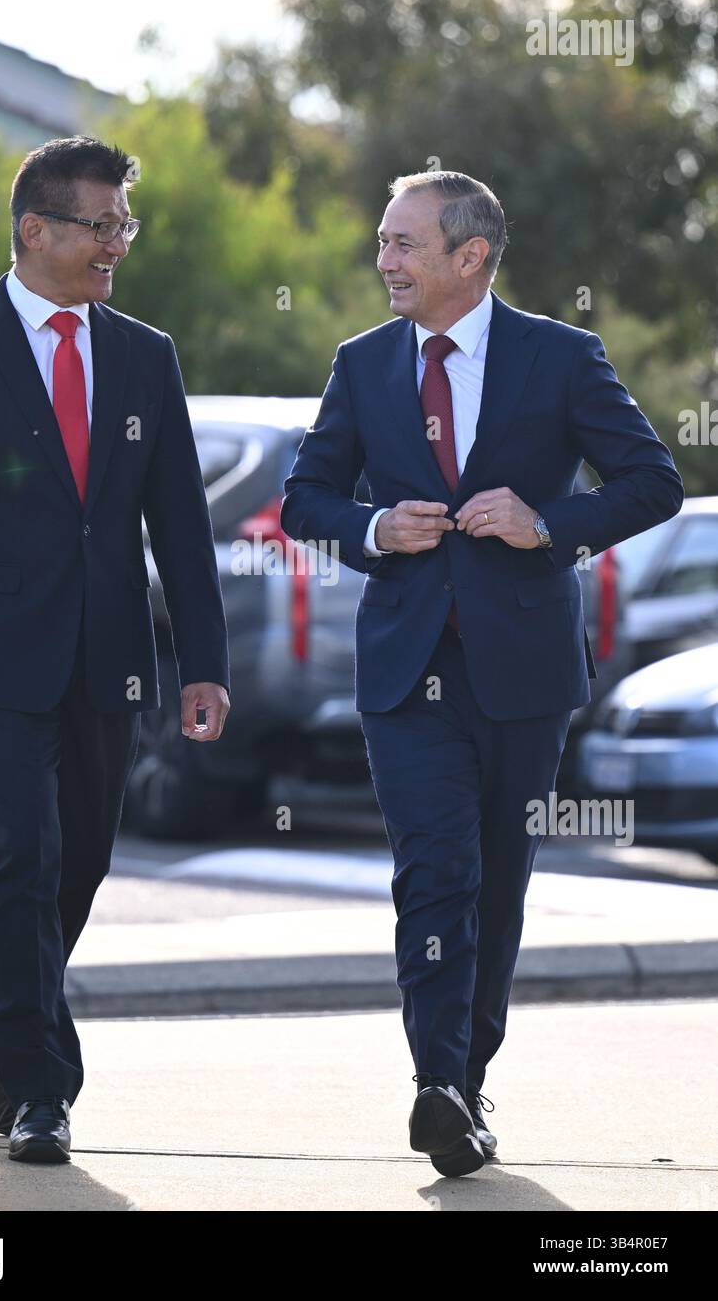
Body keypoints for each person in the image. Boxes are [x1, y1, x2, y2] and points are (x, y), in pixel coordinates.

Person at [280, 169, 683, 1176]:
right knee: (433, 867)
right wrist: (372, 526)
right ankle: (434, 1083)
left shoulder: (560, 357)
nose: (383, 261)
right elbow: (305, 498)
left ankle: (464, 1074)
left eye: (403, 244)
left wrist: (548, 523)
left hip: (521, 671)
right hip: (403, 666)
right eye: (381, 241)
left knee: (496, 879)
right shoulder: (362, 363)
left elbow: (652, 481)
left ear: (470, 257)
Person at [0, 136, 230, 1164]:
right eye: (99, 223)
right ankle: (38, 1086)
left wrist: (201, 658)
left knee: (81, 859)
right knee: (23, 851)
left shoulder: (143, 354)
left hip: (111, 652)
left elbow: (179, 520)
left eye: (124, 222)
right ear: (35, 230)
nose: (116, 241)